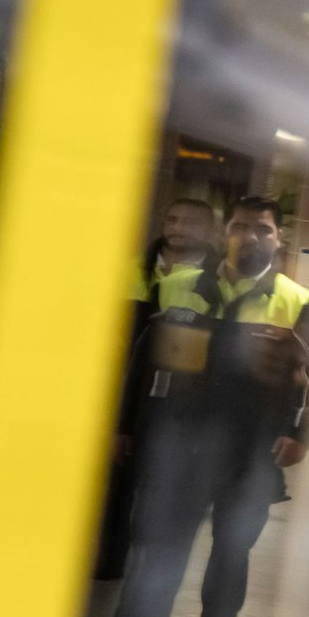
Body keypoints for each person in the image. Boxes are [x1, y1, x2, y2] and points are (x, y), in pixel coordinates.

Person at [88, 196, 309, 617]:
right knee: (160, 545)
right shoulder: (179, 287)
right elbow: (142, 363)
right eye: (241, 227)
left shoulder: (298, 303)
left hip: (251, 453)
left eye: (263, 229)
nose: (251, 237)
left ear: (279, 240)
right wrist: (123, 424)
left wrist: (301, 435)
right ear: (226, 235)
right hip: (183, 447)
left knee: (230, 552)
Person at [96, 199, 222, 579]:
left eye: (190, 222)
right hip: (124, 387)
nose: (178, 227)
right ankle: (109, 560)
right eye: (172, 218)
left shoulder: (218, 281)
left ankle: (154, 559)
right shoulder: (130, 271)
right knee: (117, 477)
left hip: (181, 395)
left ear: (209, 231)